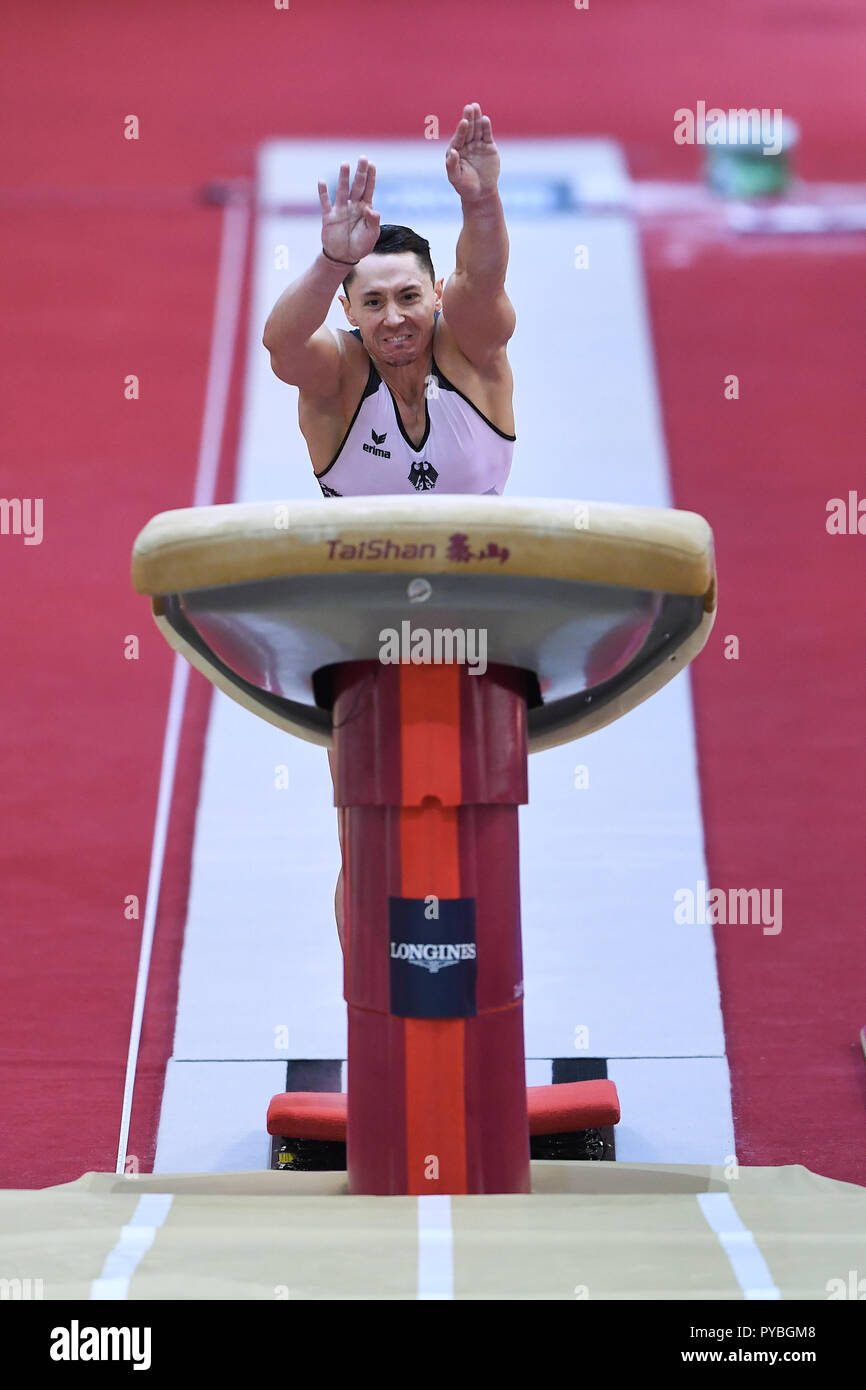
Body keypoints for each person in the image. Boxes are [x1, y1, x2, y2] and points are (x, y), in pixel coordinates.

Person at [262, 103, 516, 949]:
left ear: (434, 294)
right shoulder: (333, 378)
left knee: (475, 818)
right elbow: (278, 340)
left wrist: (480, 209)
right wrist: (331, 255)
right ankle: (370, 1029)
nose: (395, 317)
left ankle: (475, 1018)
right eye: (372, 301)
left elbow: (484, 288)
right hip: (365, 624)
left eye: (410, 295)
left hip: (482, 616)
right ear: (351, 311)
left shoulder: (472, 348)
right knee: (364, 834)